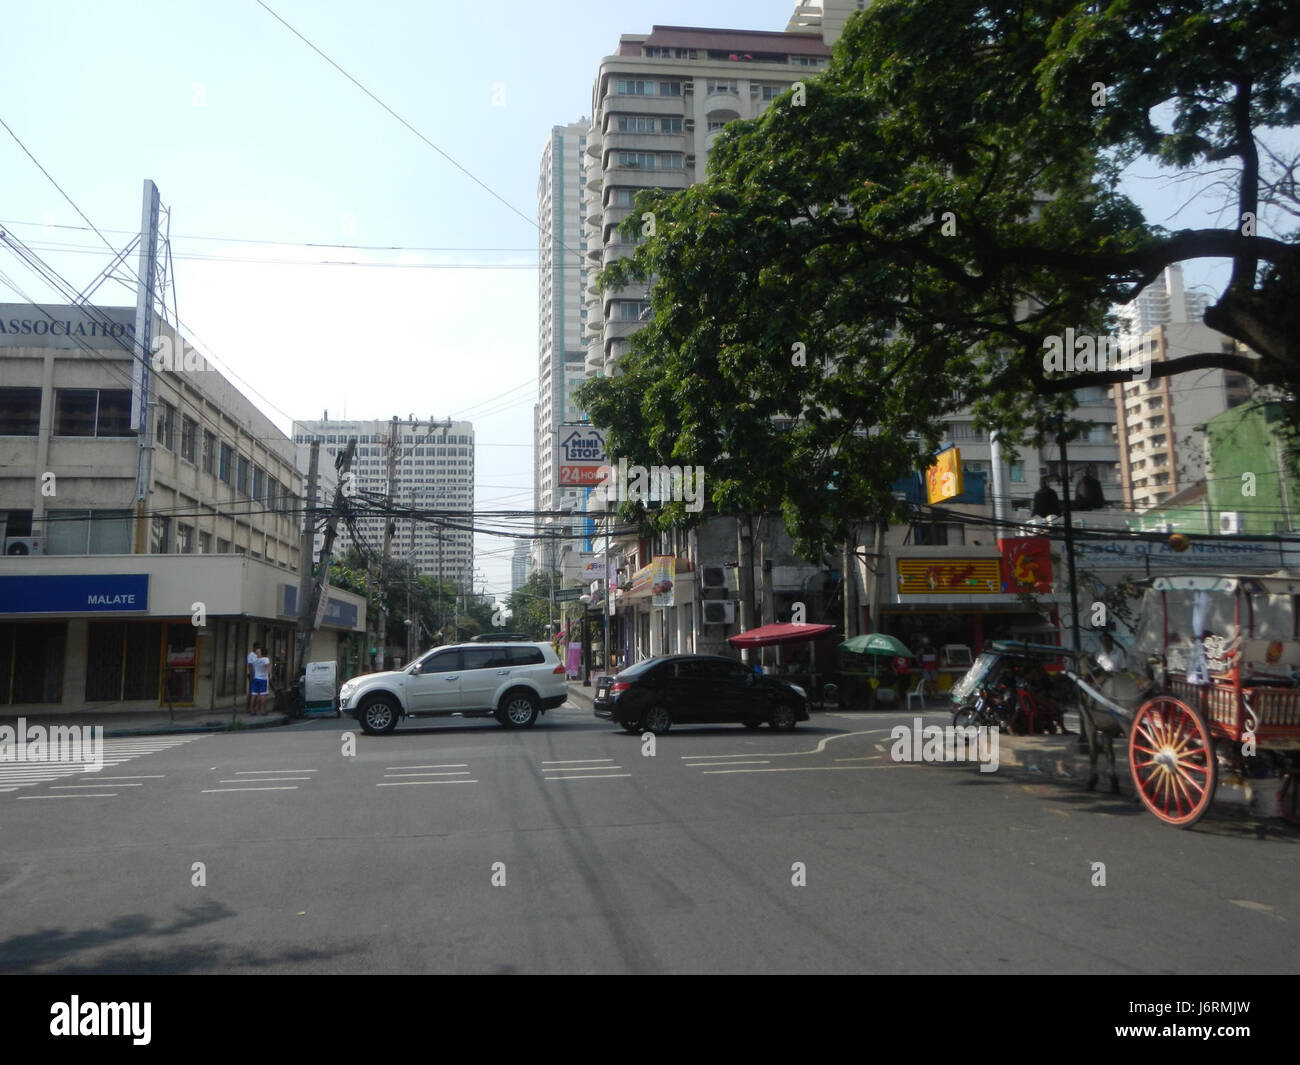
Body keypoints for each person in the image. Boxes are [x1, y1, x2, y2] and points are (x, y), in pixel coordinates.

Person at [249, 644, 271, 714]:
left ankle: (252, 710)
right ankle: (262, 710)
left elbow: (252, 667)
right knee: (263, 695)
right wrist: (270, 674)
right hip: (263, 679)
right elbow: (268, 667)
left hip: (256, 678)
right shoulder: (266, 659)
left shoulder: (255, 660)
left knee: (254, 694)